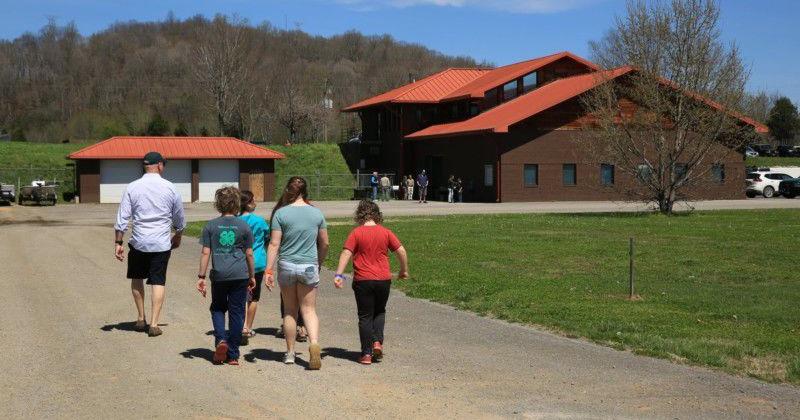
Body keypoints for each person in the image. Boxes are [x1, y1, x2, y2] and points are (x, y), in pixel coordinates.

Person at [114, 151, 185, 337]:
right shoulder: (170, 188)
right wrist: (178, 234)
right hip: (161, 243)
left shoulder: (132, 187)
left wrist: (118, 241)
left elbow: (122, 216)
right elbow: (178, 216)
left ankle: (140, 318)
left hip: (139, 241)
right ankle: (154, 323)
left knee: (137, 278)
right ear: (160, 165)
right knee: (158, 281)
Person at [333, 200, 409, 365]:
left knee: (365, 316)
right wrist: (403, 270)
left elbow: (346, 252)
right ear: (377, 215)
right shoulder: (386, 232)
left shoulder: (356, 233)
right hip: (383, 279)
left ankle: (366, 353)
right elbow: (401, 250)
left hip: (363, 280)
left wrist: (339, 274)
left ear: (359, 215)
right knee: (380, 311)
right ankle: (377, 342)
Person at [266, 177, 329, 369]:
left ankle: (291, 352)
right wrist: (318, 262)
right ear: (306, 191)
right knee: (309, 310)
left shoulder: (281, 214)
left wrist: (268, 269)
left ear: (288, 191)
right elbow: (325, 243)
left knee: (290, 311)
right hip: (309, 265)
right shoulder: (317, 213)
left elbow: (274, 243)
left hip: (286, 265)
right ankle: (314, 343)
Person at [196, 187, 260, 365]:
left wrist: (201, 276)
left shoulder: (211, 225)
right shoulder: (244, 225)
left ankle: (220, 340)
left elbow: (205, 253)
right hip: (240, 275)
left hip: (219, 275)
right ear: (237, 204)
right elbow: (249, 254)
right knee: (237, 312)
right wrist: (252, 275)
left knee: (217, 308)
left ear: (218, 204)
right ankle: (233, 354)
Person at [238, 190, 271, 346]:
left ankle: (239, 326)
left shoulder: (236, 221)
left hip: (238, 263)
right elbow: (267, 238)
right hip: (257, 263)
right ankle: (247, 327)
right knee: (254, 297)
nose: (255, 203)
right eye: (253, 200)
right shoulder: (259, 221)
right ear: (248, 203)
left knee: (239, 297)